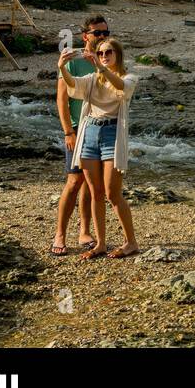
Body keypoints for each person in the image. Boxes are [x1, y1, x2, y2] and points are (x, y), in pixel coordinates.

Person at [58, 38, 140, 260]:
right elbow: (73, 85)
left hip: (112, 134)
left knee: (113, 193)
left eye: (108, 52)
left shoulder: (128, 77)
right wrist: (62, 68)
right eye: (101, 53)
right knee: (95, 192)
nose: (104, 56)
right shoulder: (93, 79)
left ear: (118, 55)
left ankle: (131, 242)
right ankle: (101, 243)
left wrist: (100, 67)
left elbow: (122, 88)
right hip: (90, 133)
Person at [51, 14, 107, 257]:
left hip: (99, 128)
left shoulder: (107, 57)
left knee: (92, 184)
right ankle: (59, 234)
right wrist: (68, 131)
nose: (103, 37)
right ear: (86, 36)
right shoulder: (72, 60)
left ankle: (85, 231)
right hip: (78, 128)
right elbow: (61, 99)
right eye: (98, 33)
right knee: (74, 182)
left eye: (105, 32)